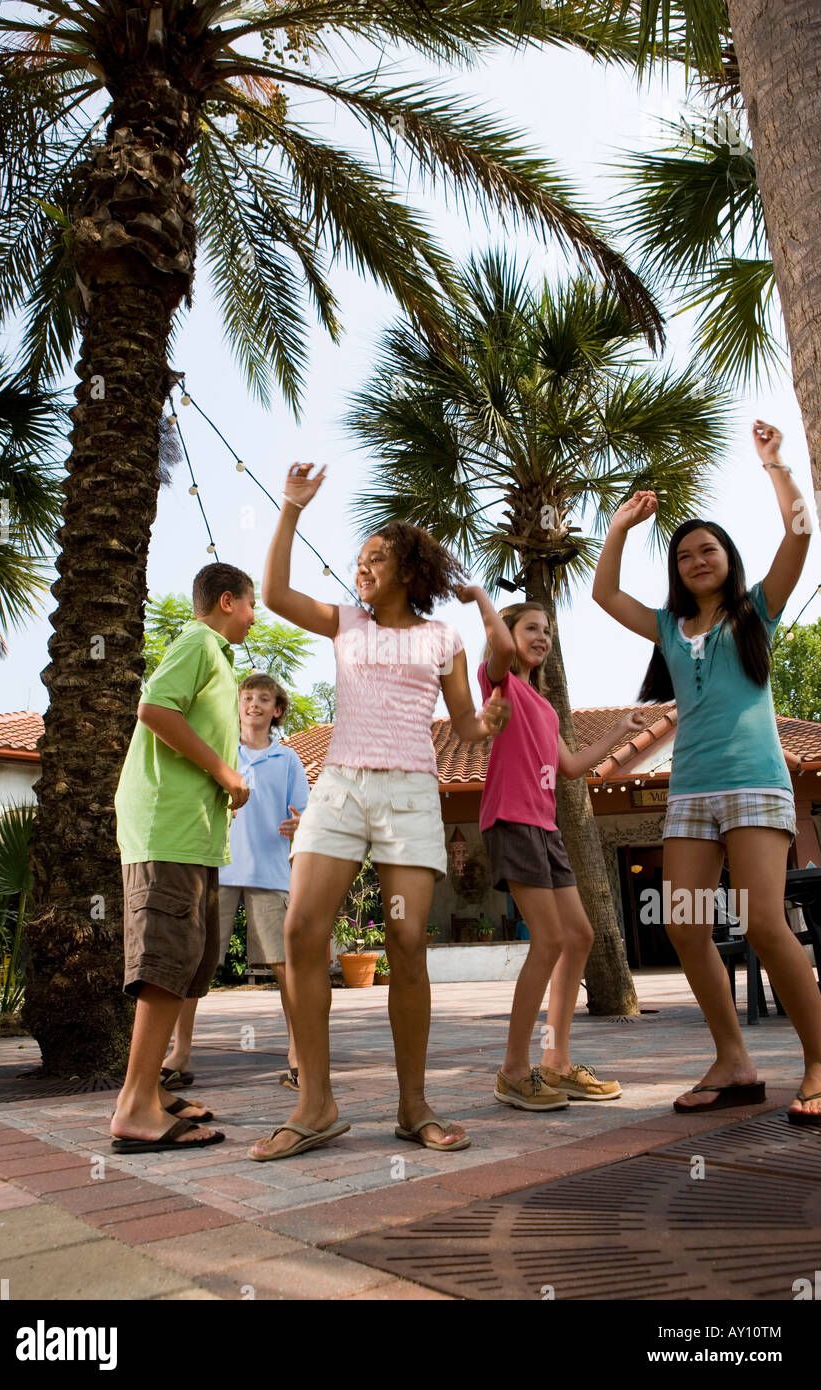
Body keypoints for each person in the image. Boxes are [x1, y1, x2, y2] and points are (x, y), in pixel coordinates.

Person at [249, 463, 511, 1161]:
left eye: (375, 558)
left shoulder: (442, 638)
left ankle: (412, 1103)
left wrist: (486, 719)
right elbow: (273, 593)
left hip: (408, 795)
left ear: (409, 569)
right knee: (304, 930)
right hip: (339, 785)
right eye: (358, 559)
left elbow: (462, 724)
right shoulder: (345, 621)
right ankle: (316, 1104)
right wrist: (291, 507)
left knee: (407, 944)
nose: (361, 568)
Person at [592, 419, 821, 1125]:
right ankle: (735, 1061)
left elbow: (799, 537)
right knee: (687, 924)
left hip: (755, 781)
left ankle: (820, 1061)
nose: (698, 560)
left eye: (709, 550)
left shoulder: (756, 611)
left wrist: (775, 463)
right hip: (691, 792)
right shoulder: (669, 626)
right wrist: (620, 529)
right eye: (687, 554)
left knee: (763, 921)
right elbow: (606, 595)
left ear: (728, 558)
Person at [476, 595, 643, 1110]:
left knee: (579, 935)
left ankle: (557, 1062)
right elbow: (499, 648)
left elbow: (571, 767)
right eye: (530, 628)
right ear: (508, 635)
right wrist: (485, 601)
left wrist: (618, 732)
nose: (541, 637)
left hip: (546, 828)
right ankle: (512, 1070)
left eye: (547, 630)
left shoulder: (545, 707)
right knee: (548, 940)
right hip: (511, 820)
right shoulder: (498, 683)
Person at [110, 563, 253, 1152]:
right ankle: (135, 1107)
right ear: (225, 601)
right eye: (251, 604)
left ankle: (152, 1092)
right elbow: (155, 710)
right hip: (166, 831)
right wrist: (225, 771)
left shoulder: (218, 658)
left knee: (186, 959)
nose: (254, 614)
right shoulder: (199, 642)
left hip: (191, 833)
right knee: (165, 958)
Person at [165, 674, 310, 1090]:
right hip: (218, 868)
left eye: (264, 699)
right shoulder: (219, 753)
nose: (254, 705)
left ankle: (298, 1056)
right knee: (195, 962)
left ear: (276, 709)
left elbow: (306, 816)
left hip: (271, 873)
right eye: (247, 697)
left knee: (286, 968)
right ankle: (179, 1054)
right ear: (238, 704)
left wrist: (301, 824)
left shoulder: (288, 760)